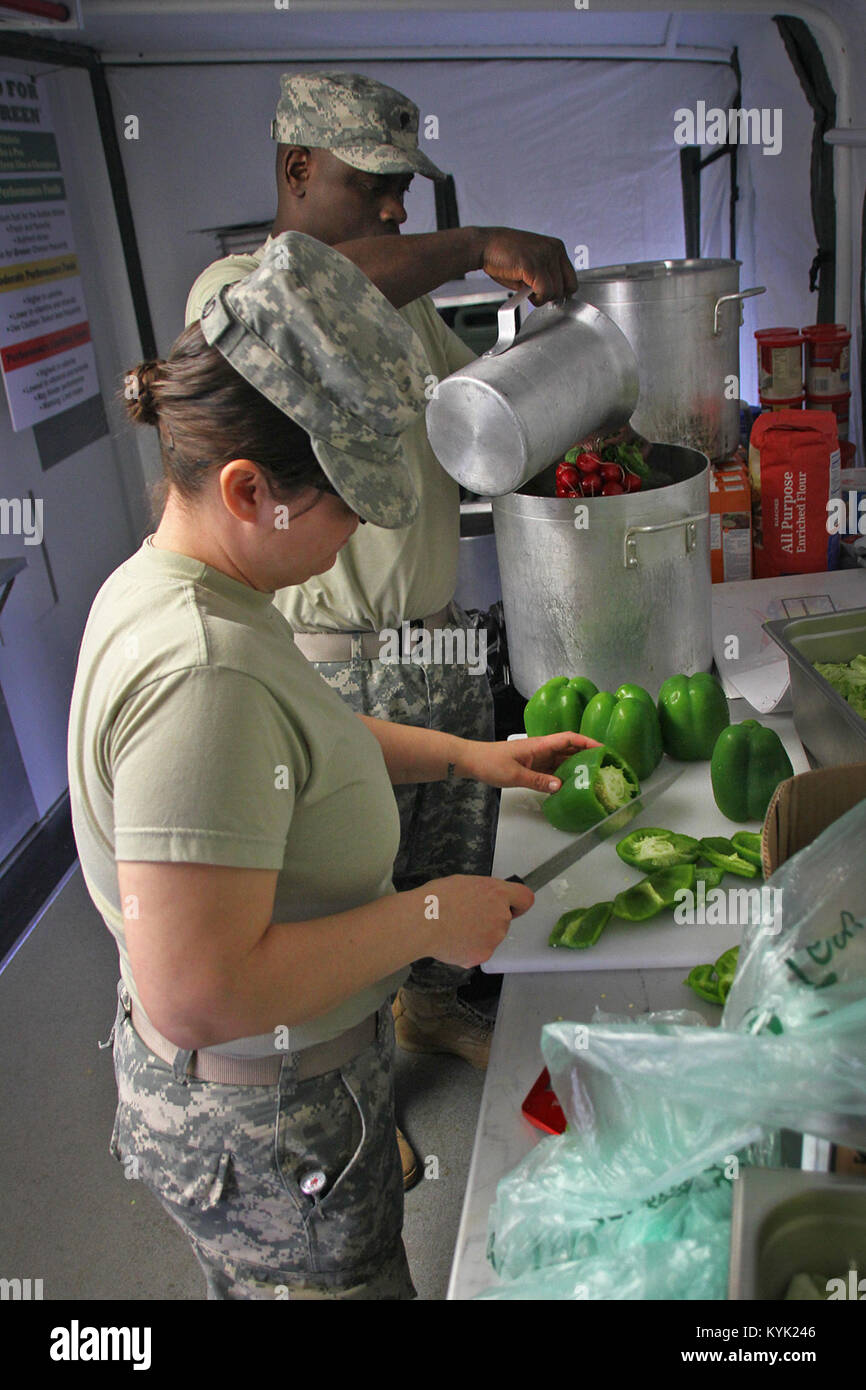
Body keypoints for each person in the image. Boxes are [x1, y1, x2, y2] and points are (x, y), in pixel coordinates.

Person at [68, 234, 594, 1299]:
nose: (356, 529)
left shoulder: (201, 592)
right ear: (247, 485)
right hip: (268, 1122)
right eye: (343, 504)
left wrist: (463, 755)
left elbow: (303, 746)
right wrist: (432, 918)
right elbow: (202, 989)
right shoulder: (201, 673)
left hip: (280, 1088)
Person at [185, 74, 578, 1167]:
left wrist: (571, 374)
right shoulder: (237, 289)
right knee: (346, 902)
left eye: (407, 193)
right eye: (374, 188)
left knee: (447, 853)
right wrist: (475, 241)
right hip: (334, 664)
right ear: (296, 170)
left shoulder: (397, 305)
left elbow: (482, 407)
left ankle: (428, 1006)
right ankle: (354, 1091)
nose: (397, 213)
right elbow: (311, 285)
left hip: (440, 638)